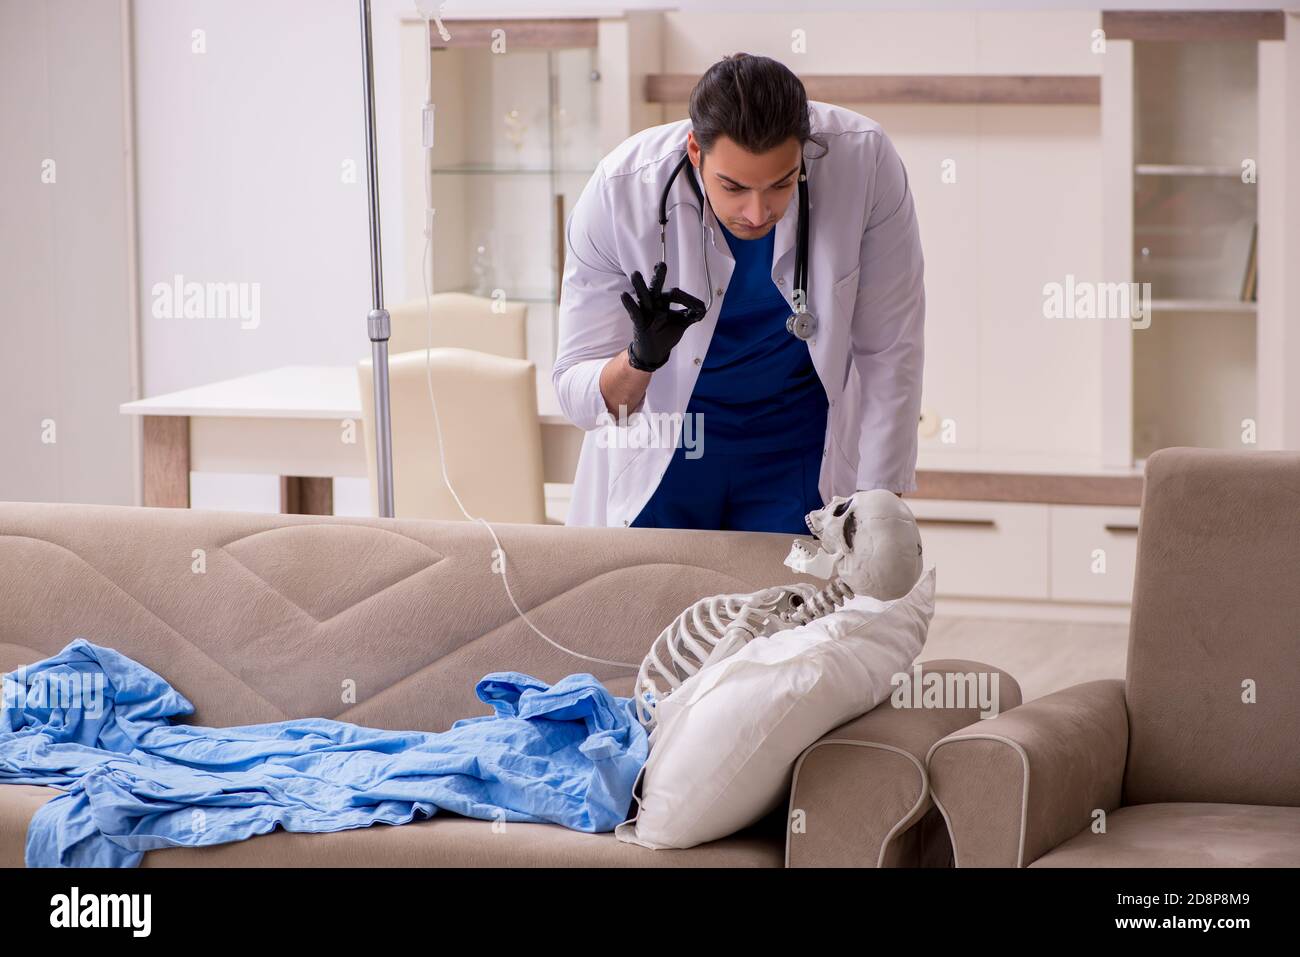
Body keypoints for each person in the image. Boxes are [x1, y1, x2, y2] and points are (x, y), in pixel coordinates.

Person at [554, 53, 925, 532]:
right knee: (654, 605)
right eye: (732, 187)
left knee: (793, 604)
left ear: (804, 153)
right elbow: (573, 389)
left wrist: (882, 509)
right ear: (694, 151)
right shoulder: (620, 189)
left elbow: (890, 348)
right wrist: (638, 361)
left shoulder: (864, 160)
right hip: (670, 449)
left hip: (795, 454)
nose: (756, 212)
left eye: (781, 183)